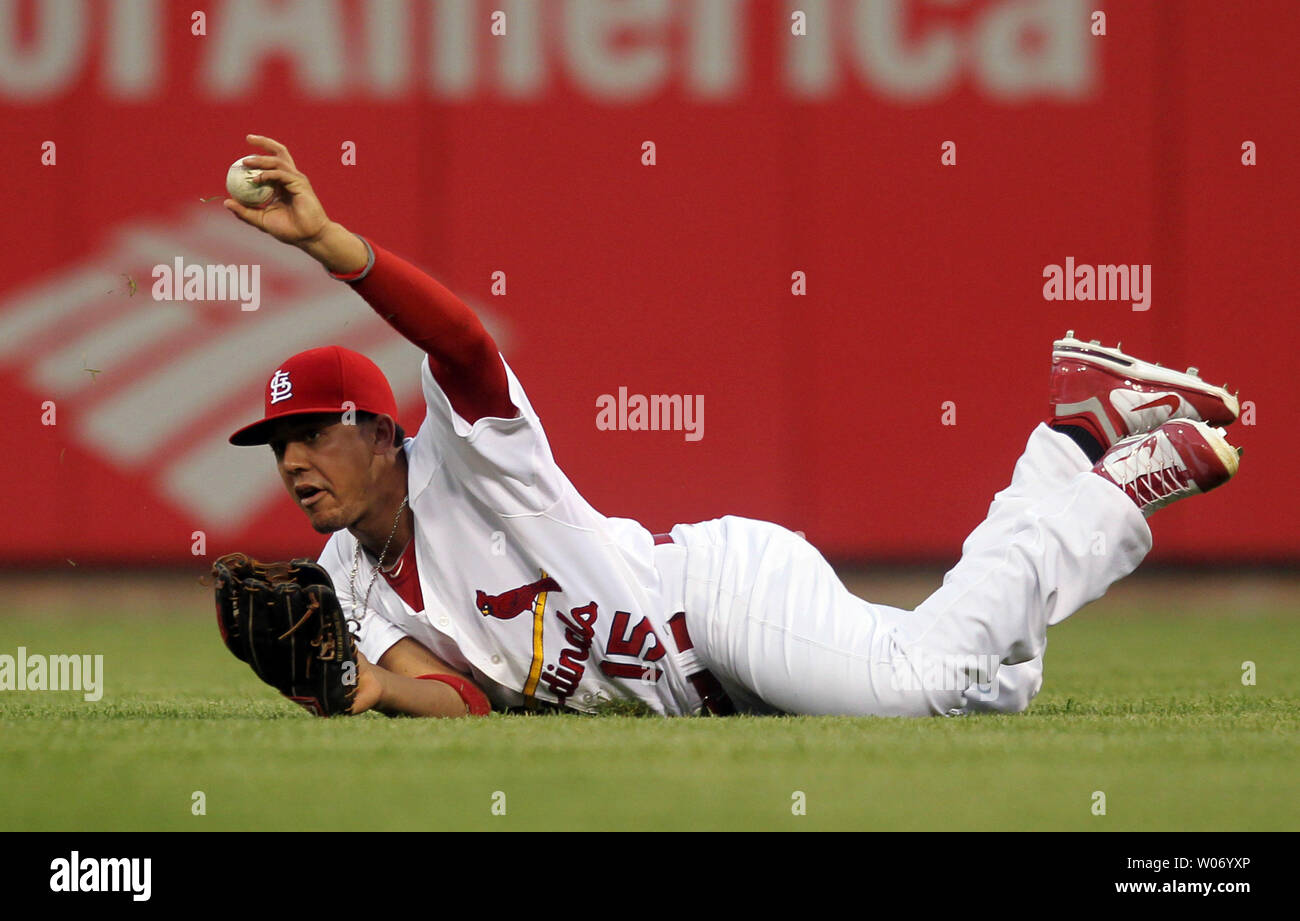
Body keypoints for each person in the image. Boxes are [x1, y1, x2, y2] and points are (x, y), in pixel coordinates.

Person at [225, 134, 1242, 720]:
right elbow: (464, 704)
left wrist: (331, 245)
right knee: (990, 691)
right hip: (706, 694)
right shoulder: (344, 580)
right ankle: (1069, 438)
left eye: (315, 433)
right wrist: (363, 692)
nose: (296, 462)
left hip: (712, 601)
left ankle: (1121, 485)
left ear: (380, 432)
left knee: (914, 692)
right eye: (279, 447)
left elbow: (463, 342)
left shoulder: (462, 456)